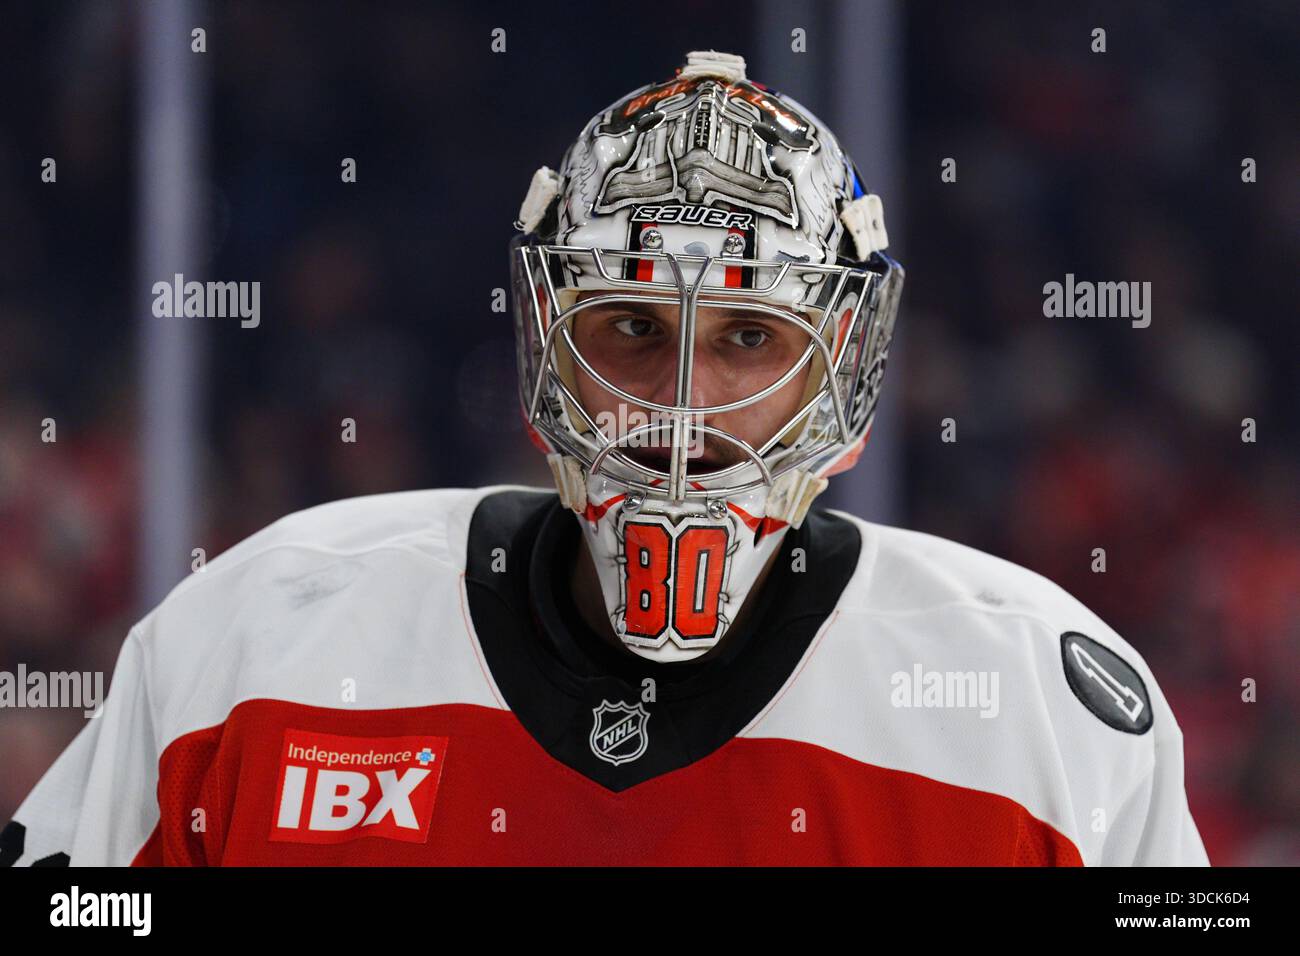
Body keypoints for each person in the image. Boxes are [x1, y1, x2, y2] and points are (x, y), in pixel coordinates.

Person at [3, 51, 1207, 866]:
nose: (681, 407)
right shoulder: (258, 640)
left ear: (844, 362)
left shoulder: (1040, 714)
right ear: (546, 341)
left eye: (748, 336)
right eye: (630, 327)